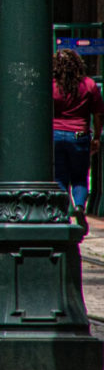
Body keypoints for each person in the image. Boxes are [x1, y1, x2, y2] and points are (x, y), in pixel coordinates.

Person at [52, 48, 102, 232]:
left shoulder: (53, 86)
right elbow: (98, 114)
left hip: (56, 133)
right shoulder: (89, 85)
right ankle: (80, 206)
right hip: (80, 134)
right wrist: (96, 137)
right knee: (80, 177)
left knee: (60, 177)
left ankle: (65, 211)